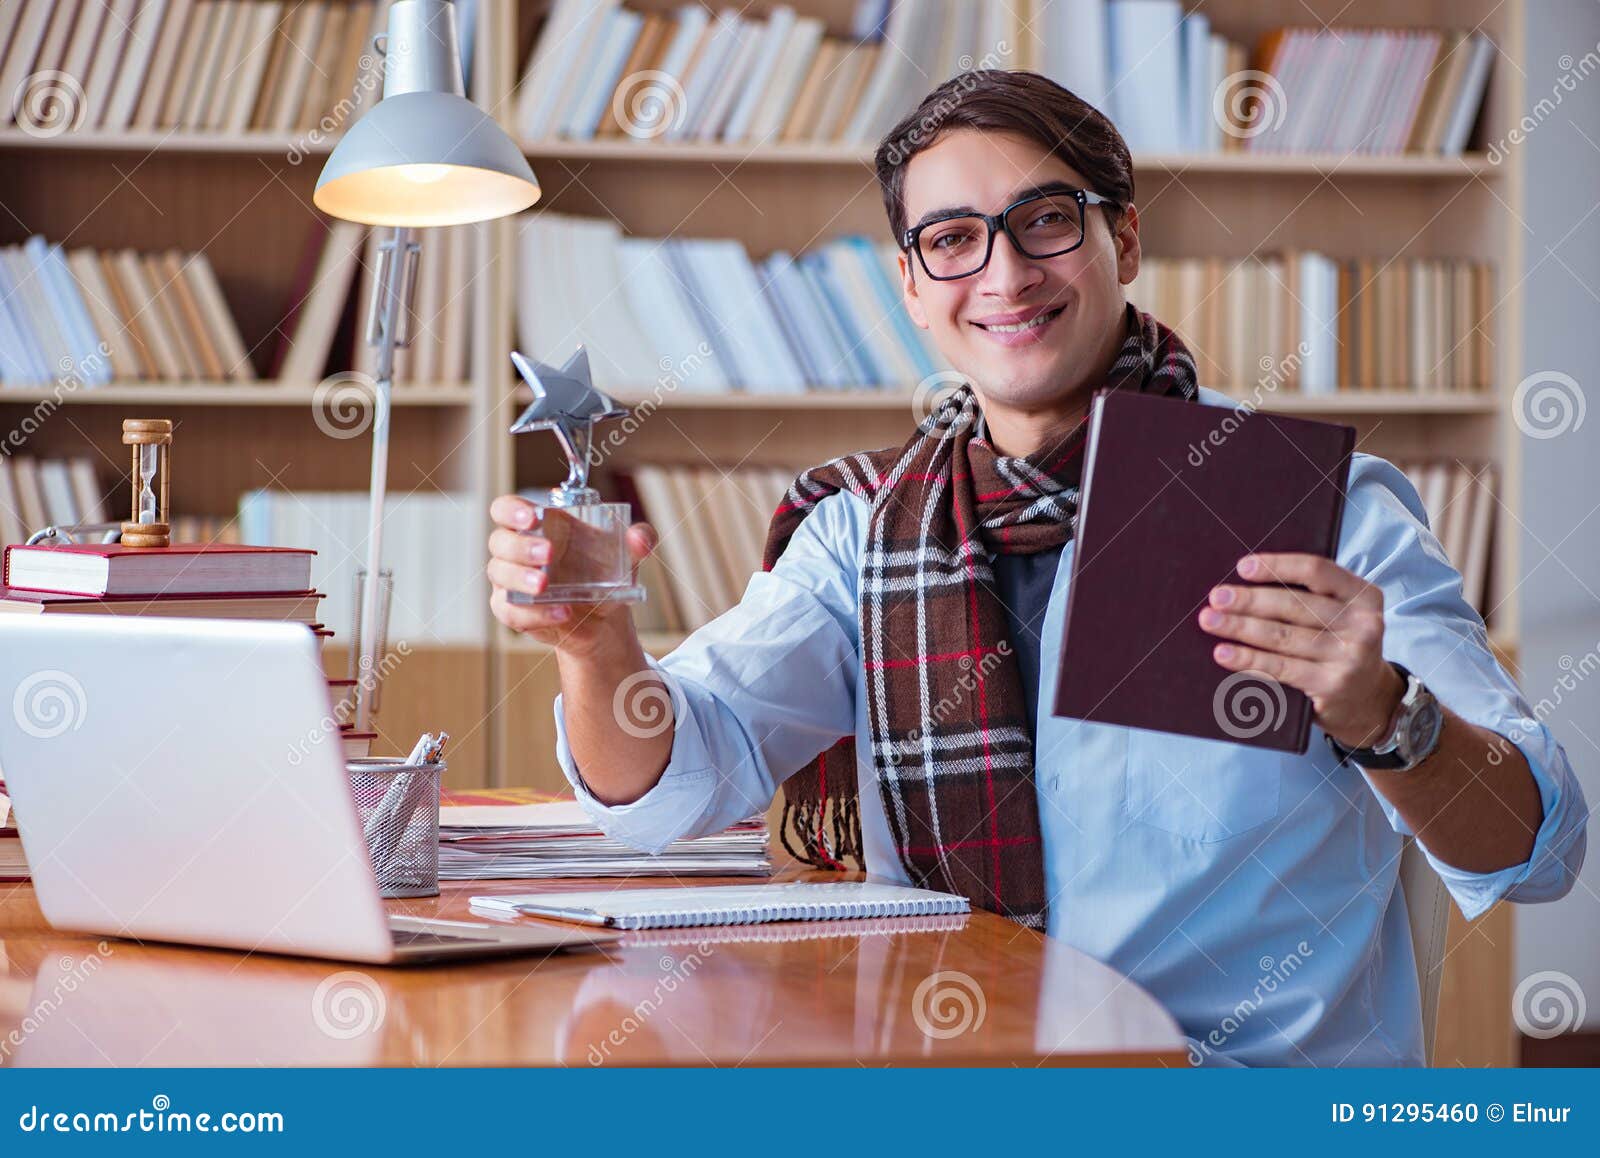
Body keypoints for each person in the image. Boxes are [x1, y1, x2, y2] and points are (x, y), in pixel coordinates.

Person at [485, 71, 1587, 1066]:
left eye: (1045, 221)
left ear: (1125, 243)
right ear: (912, 287)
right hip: (958, 1082)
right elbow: (675, 780)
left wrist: (1385, 716)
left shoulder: (1313, 506)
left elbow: (1533, 847)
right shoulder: (867, 531)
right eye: (953, 239)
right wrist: (597, 646)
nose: (1005, 273)